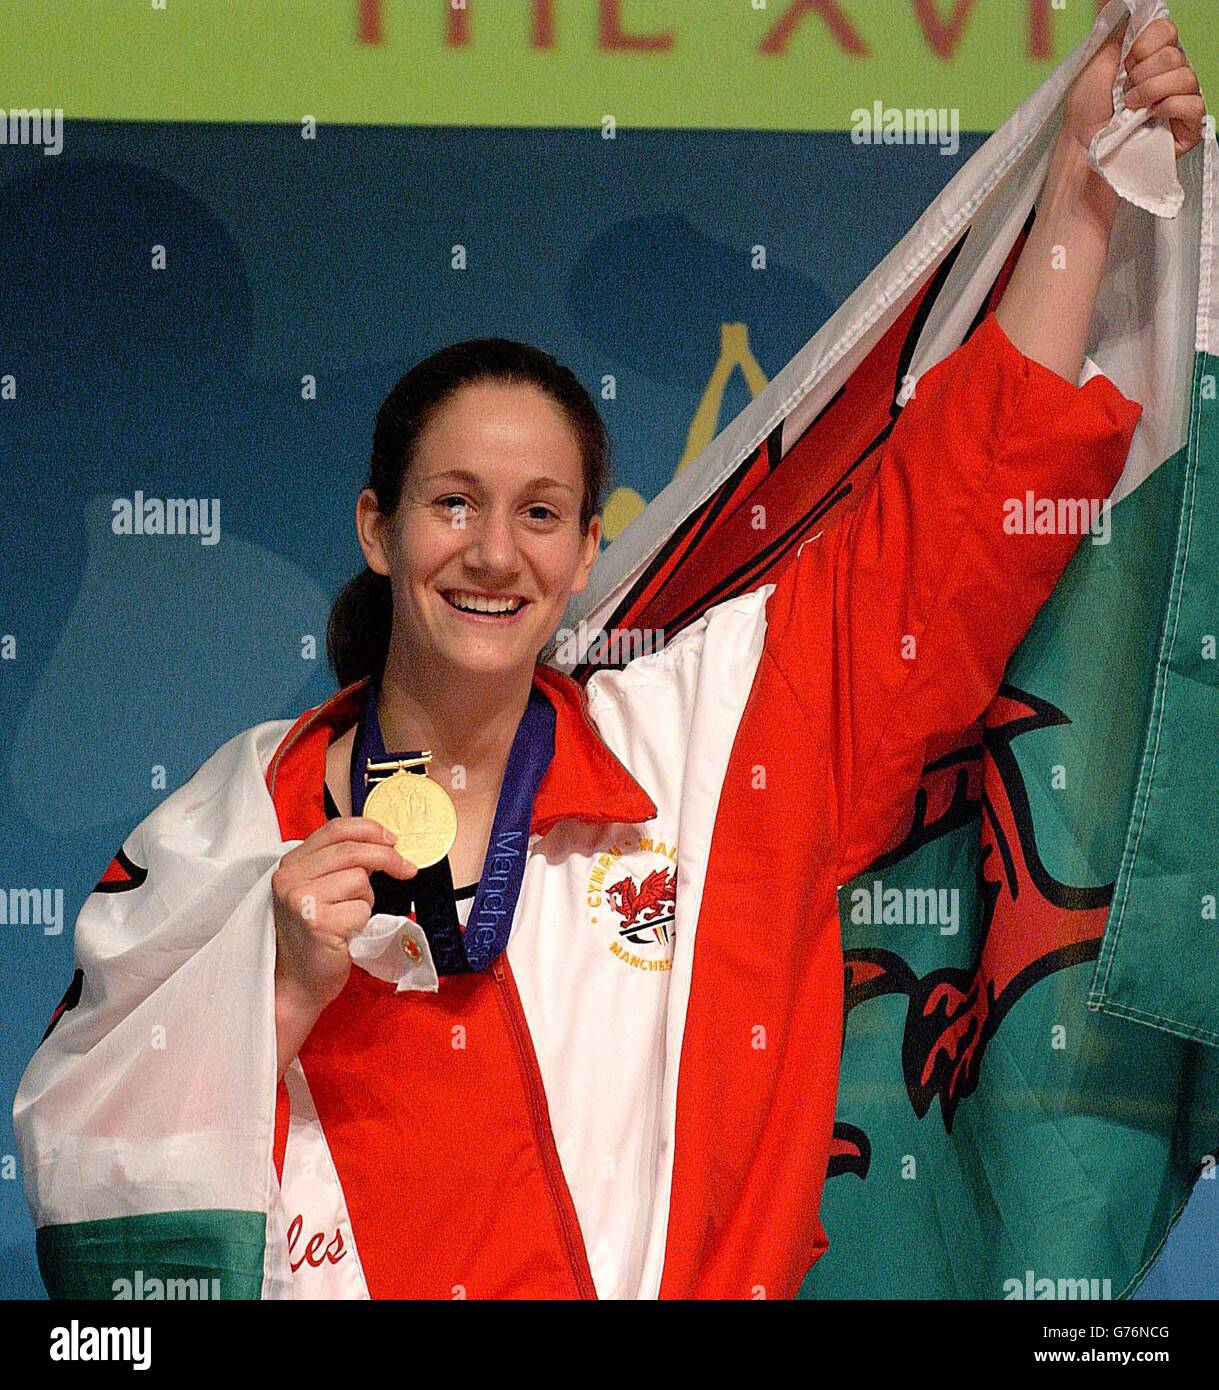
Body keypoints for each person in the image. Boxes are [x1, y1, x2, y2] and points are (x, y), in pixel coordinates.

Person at [15, 18, 1206, 1300]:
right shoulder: (231, 825)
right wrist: (276, 990)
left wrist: (1082, 189)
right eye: (451, 503)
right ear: (376, 527)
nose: (492, 553)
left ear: (588, 551)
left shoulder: (701, 744)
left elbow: (949, 521)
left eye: (539, 514)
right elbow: (90, 1159)